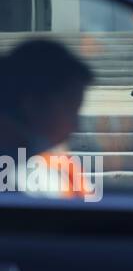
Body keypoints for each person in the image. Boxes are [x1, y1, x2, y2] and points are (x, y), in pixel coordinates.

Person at [0, 40, 95, 199]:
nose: (76, 125)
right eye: (71, 109)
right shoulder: (35, 181)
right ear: (33, 104)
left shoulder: (49, 162)